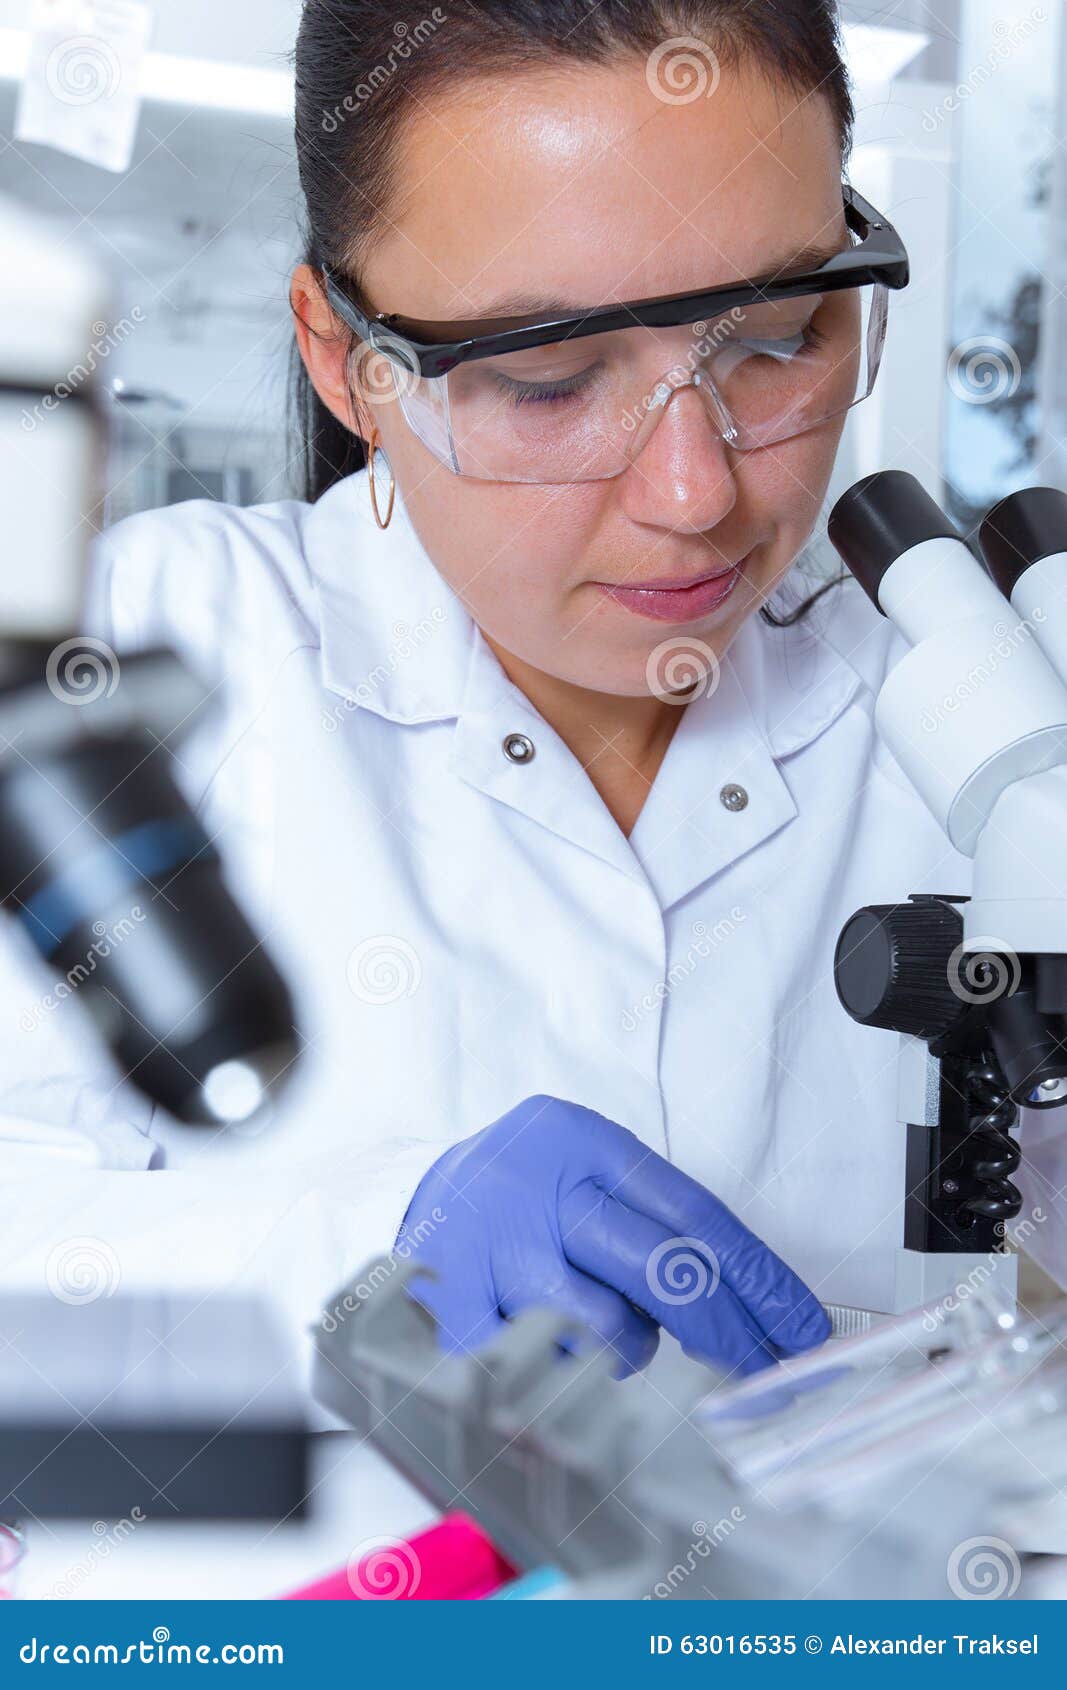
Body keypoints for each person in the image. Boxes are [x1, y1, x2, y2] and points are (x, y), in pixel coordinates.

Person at [0, 0, 1050, 1382]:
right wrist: (373, 1245)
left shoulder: (988, 703)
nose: (696, 494)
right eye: (549, 381)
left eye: (782, 335)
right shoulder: (140, 650)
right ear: (344, 359)